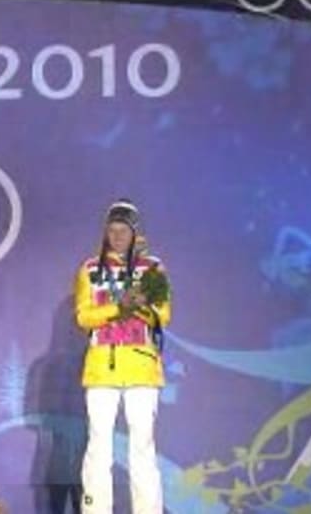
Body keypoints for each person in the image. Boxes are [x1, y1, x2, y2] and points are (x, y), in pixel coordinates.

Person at [74, 200, 172, 514]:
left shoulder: (153, 268)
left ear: (134, 232)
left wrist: (139, 303)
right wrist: (119, 307)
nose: (117, 236)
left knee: (141, 449)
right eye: (112, 230)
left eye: (123, 230)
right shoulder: (90, 269)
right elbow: (84, 317)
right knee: (98, 446)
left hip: (142, 369)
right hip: (102, 369)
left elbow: (163, 316)